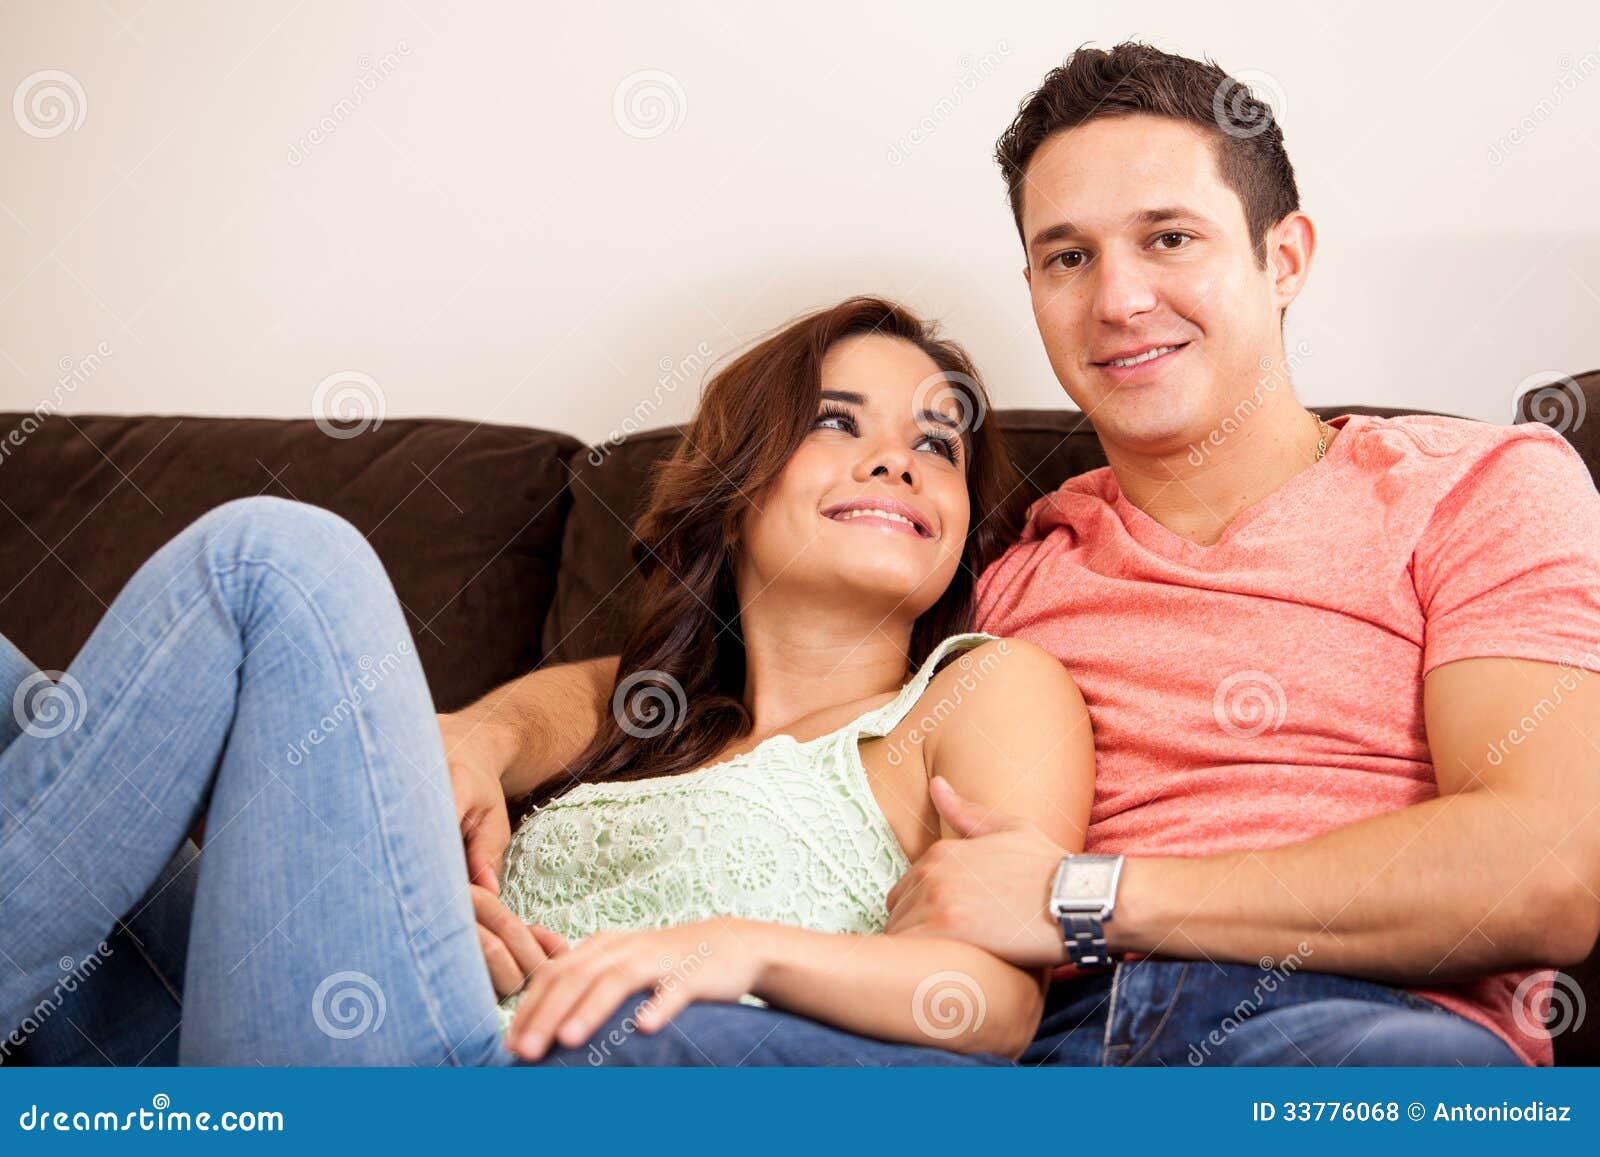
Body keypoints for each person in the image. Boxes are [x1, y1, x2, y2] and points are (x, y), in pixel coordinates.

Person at [445, 43, 1600, 1067]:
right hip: (1023, 1051)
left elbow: (1549, 864)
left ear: (1284, 256)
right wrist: (479, 738)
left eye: (1168, 238)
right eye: (1065, 258)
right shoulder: (991, 560)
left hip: (1335, 1024)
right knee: (628, 1048)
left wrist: (1082, 896)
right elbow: (721, 680)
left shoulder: (1480, 485)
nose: (1119, 299)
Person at [0, 297, 1094, 1066]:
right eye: (835, 421)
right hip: (316, 1029)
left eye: (939, 444)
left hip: (456, 1084)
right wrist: (446, 898)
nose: (899, 459)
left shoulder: (983, 691)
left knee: (274, 561)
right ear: (732, 489)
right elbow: (549, 710)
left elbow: (990, 1005)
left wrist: (737, 945)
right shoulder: (645, 707)